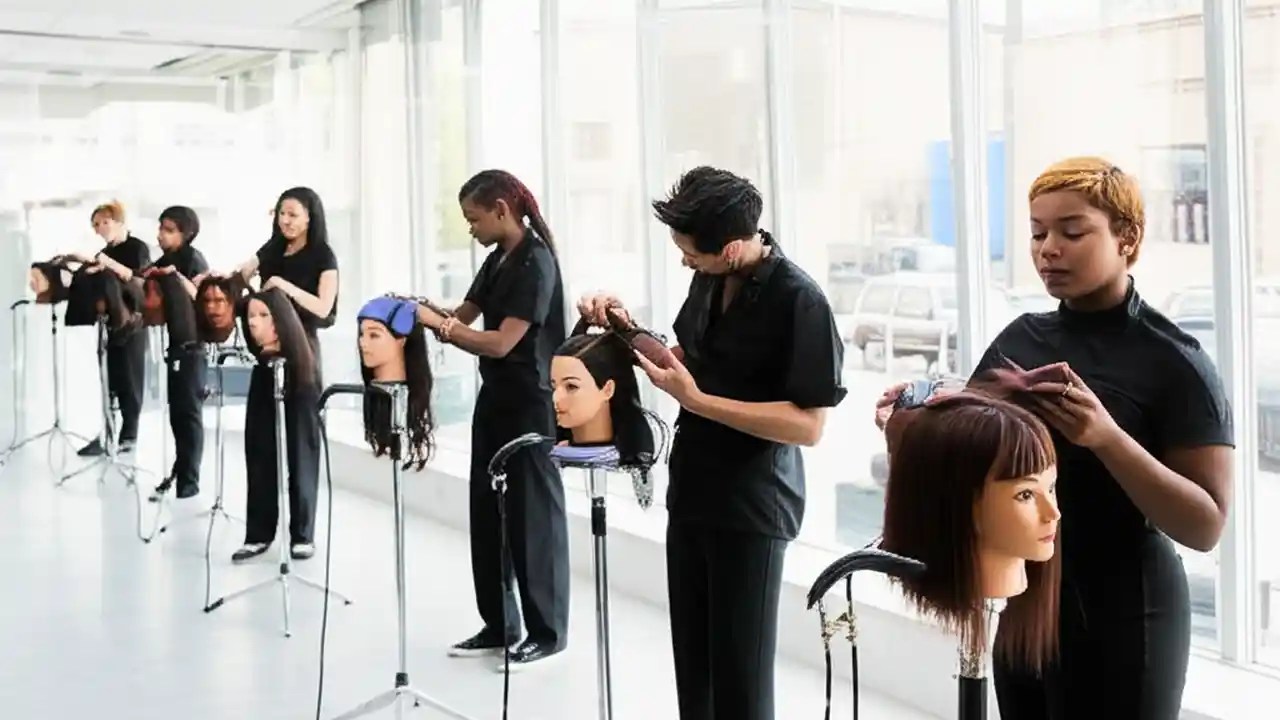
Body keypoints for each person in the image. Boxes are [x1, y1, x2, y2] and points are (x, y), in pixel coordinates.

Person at [875, 157, 1234, 720]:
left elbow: (1205, 524)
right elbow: (968, 466)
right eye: (1038, 233)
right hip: (1027, 604)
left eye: (1072, 232)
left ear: (1127, 238)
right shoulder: (1020, 339)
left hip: (1128, 616)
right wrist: (911, 427)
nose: (1049, 249)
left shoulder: (1176, 364)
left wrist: (1106, 437)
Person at [578, 166, 848, 720]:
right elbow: (687, 361)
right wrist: (627, 329)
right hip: (695, 491)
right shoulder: (709, 277)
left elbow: (809, 426)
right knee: (694, 669)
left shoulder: (801, 302)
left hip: (752, 507)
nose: (683, 260)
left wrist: (698, 402)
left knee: (740, 685)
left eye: (689, 252)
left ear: (728, 248)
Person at [413, 169, 569, 669]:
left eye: (474, 219)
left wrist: (441, 326)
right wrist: (426, 311)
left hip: (531, 405)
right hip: (496, 400)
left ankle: (546, 631)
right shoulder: (496, 260)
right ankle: (501, 623)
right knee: (488, 511)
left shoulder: (536, 263)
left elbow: (502, 341)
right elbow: (464, 316)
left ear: (502, 210)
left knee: (531, 519)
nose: (471, 229)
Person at [213, 187, 338, 562]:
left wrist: (282, 287)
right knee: (260, 443)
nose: (286, 221)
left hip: (302, 353)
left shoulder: (323, 255)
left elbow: (324, 306)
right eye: (282, 214)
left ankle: (302, 534)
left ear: (310, 218)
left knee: (301, 444)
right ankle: (258, 533)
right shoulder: (269, 250)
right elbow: (241, 274)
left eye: (294, 215)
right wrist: (224, 280)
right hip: (266, 354)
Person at [65, 200, 151, 456]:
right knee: (110, 379)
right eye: (96, 225)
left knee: (130, 380)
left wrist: (105, 264)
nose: (100, 228)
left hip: (133, 323)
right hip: (109, 326)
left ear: (119, 221)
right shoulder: (106, 252)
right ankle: (108, 433)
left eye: (105, 222)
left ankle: (129, 434)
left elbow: (137, 281)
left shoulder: (138, 248)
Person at [143, 206, 209, 501]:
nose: (161, 236)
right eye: (160, 229)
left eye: (169, 230)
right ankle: (180, 471)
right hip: (175, 346)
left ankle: (189, 480)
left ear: (186, 233)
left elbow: (204, 298)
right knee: (177, 416)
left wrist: (177, 277)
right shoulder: (164, 261)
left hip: (193, 347)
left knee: (189, 415)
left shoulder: (193, 260)